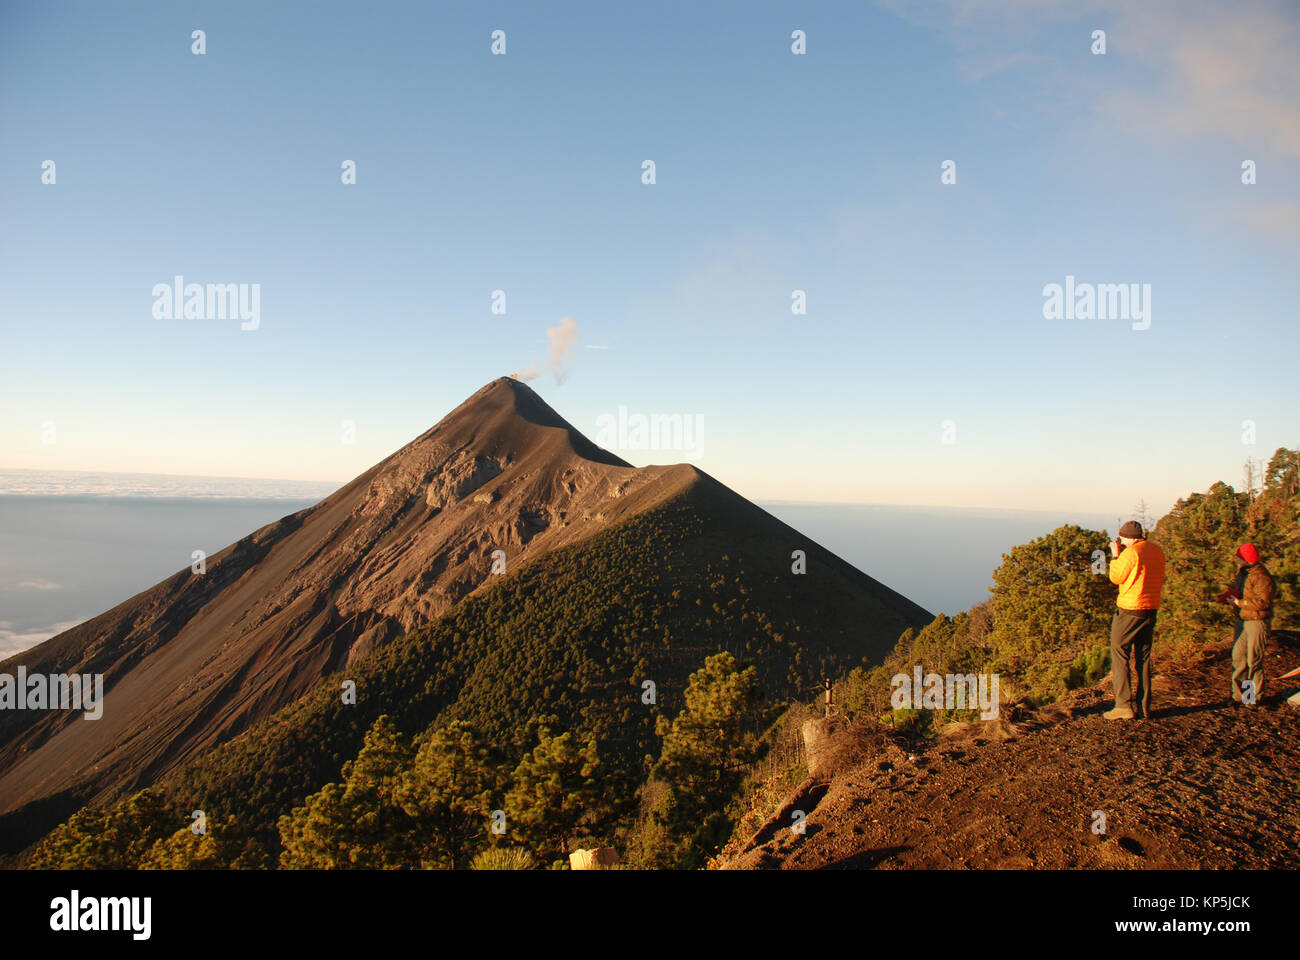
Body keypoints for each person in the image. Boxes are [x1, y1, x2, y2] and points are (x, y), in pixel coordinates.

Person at [1105, 520, 1166, 720]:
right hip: (1151, 608)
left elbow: (1116, 577)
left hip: (1131, 609)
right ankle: (1144, 706)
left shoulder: (1131, 553)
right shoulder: (1157, 551)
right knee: (1144, 657)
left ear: (1129, 538)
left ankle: (1123, 705)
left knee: (1119, 651)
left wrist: (1115, 555)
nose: (1120, 542)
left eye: (1121, 539)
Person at [1222, 543, 1275, 705]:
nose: (1236, 558)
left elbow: (1263, 602)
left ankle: (1252, 698)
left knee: (1253, 660)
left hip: (1257, 621)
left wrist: (1240, 603)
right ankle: (1239, 696)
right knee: (1239, 658)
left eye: (1239, 556)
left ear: (1246, 558)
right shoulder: (1244, 573)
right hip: (1243, 620)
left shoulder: (1261, 576)